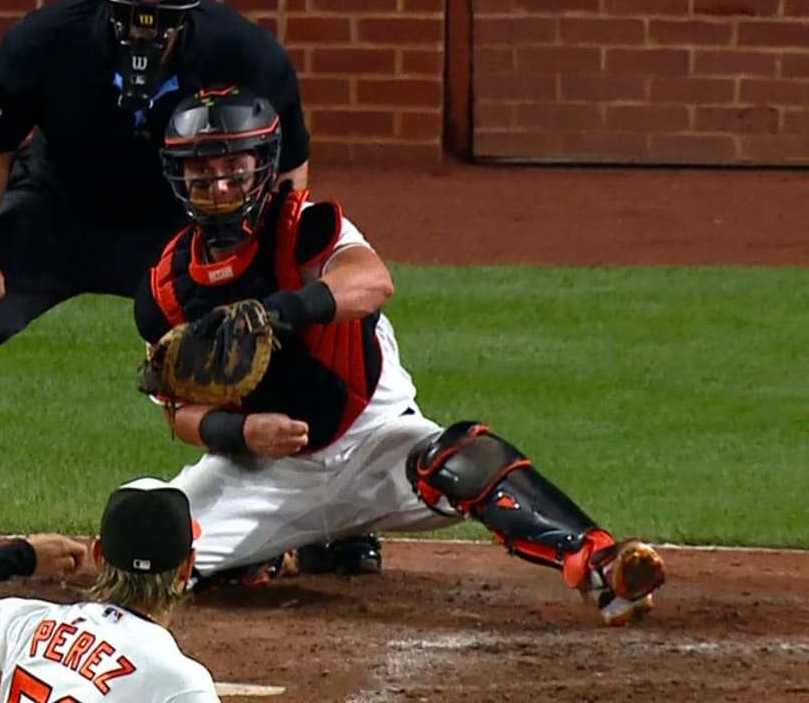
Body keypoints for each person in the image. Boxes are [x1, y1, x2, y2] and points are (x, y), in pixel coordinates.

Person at [0, 0, 377, 584]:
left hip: (184, 224)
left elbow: (287, 170)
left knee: (270, 331)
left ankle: (322, 522)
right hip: (55, 211)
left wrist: (277, 270)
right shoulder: (44, 39)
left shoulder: (247, 53)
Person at [133, 85, 667, 625]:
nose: (219, 186)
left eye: (234, 168)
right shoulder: (167, 289)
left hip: (376, 444)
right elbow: (178, 413)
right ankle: (261, 553)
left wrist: (276, 314)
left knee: (460, 455)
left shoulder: (306, 226)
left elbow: (371, 281)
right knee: (141, 549)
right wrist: (243, 435)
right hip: (265, 474)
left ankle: (597, 560)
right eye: (202, 172)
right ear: (179, 176)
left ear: (263, 167)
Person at [0, 477, 221, 702]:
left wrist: (21, 555)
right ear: (186, 567)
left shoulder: (27, 624)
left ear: (99, 556)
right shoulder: (182, 683)